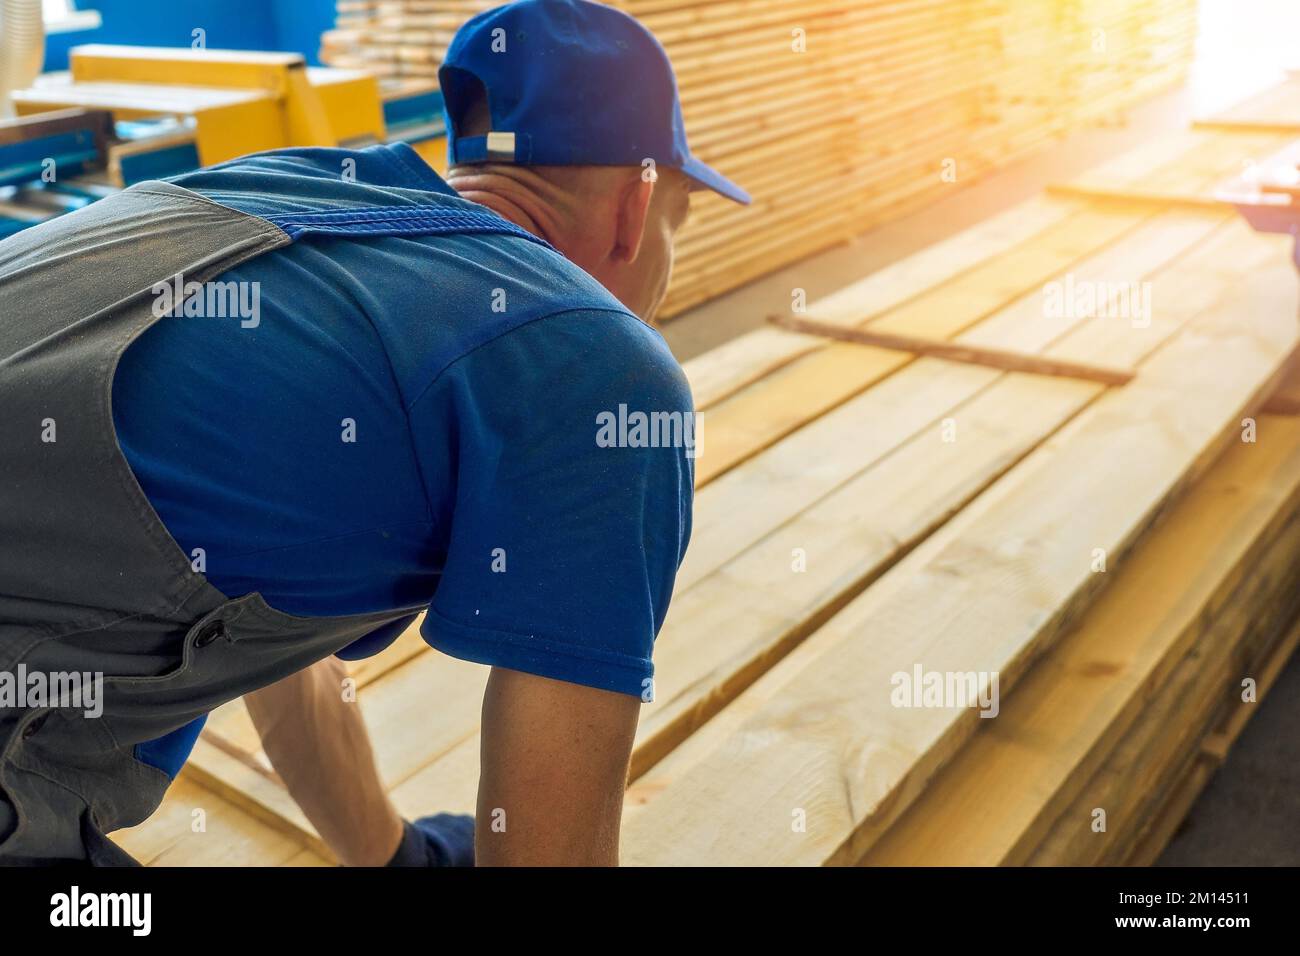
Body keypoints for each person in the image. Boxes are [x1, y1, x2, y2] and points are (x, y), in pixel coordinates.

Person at [0, 0, 748, 866]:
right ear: (637, 202)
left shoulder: (289, 198)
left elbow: (277, 648)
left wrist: (391, 856)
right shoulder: (603, 370)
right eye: (677, 222)